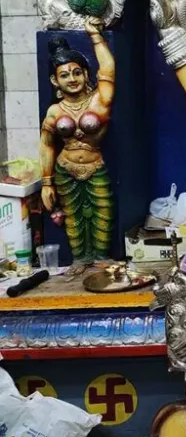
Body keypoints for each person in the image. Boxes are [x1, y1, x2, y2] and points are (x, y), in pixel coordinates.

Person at [39, 21, 115, 261]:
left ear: (85, 74)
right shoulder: (54, 111)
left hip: (95, 165)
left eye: (76, 72)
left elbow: (109, 68)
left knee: (103, 213)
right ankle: (80, 260)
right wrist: (46, 183)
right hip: (65, 169)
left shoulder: (99, 101)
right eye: (64, 75)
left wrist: (95, 35)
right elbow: (47, 144)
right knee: (73, 217)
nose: (71, 79)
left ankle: (101, 259)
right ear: (55, 81)